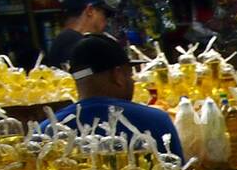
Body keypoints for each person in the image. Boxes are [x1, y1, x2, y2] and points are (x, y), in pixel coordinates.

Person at [55, 34, 184, 159]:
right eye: (130, 75)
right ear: (117, 76)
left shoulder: (48, 130)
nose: (133, 81)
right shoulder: (156, 120)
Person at [46, 0, 115, 70]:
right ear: (90, 11)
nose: (106, 21)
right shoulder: (76, 43)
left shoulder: (65, 39)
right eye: (105, 14)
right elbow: (83, 77)